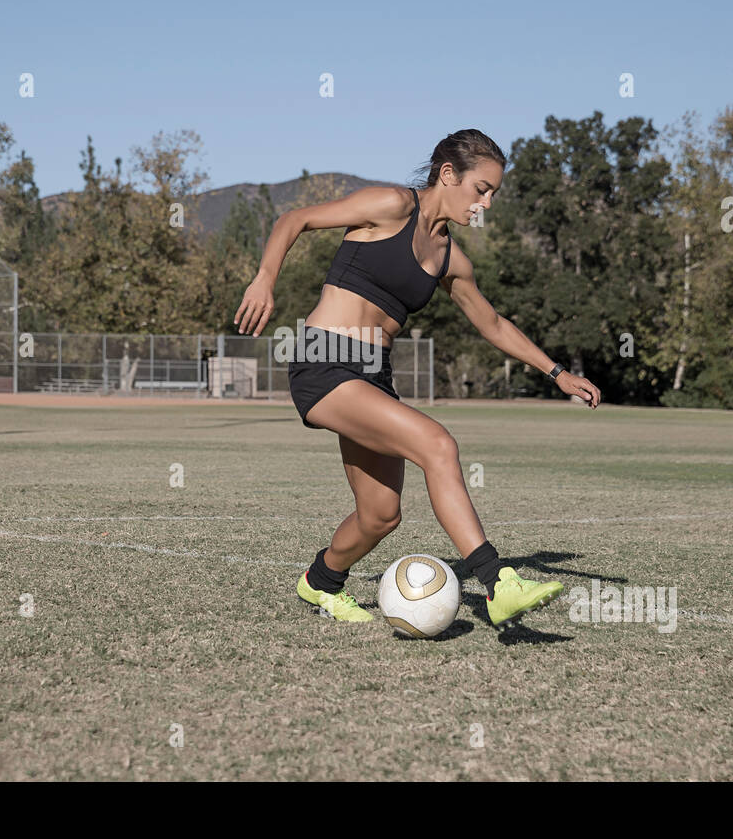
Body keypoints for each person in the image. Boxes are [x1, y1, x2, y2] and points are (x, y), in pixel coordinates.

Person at [233, 129, 602, 629]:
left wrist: (555, 373)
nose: (486, 204)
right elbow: (295, 219)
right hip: (324, 359)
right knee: (438, 444)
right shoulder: (389, 204)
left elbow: (492, 324)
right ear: (448, 174)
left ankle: (320, 581)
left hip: (374, 377)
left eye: (493, 194)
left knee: (380, 516)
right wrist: (265, 278)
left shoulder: (451, 259)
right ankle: (498, 582)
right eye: (482, 189)